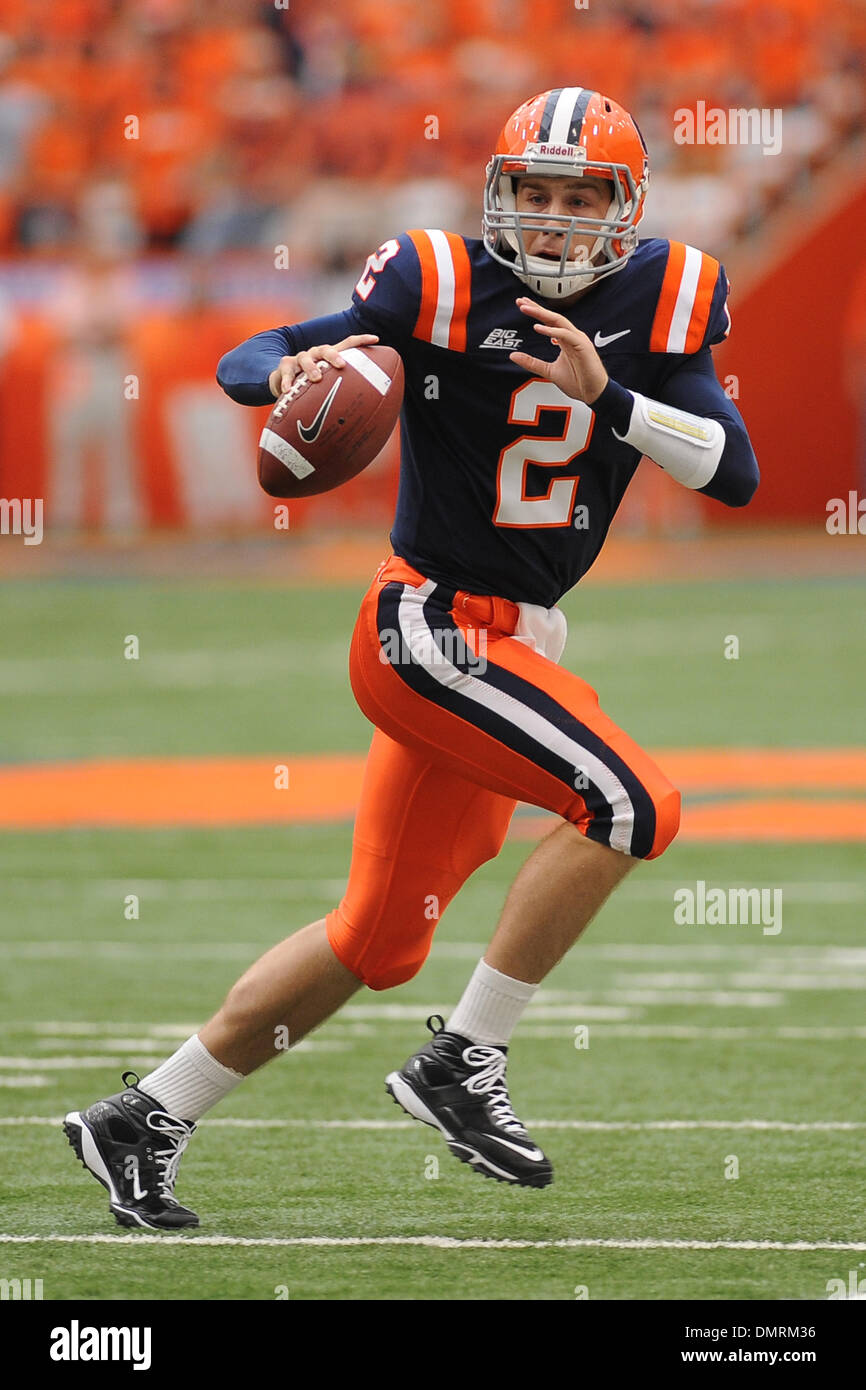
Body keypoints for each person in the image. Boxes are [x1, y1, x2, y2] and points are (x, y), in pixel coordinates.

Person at [63, 87, 758, 1227]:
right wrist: (280, 378)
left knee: (378, 940)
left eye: (576, 196)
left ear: (623, 207)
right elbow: (262, 347)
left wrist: (610, 394)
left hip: (512, 639)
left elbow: (731, 473)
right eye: (529, 192)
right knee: (632, 805)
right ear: (497, 195)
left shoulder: (664, 297)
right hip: (426, 628)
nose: (549, 217)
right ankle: (461, 1060)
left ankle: (146, 1114)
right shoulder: (438, 283)